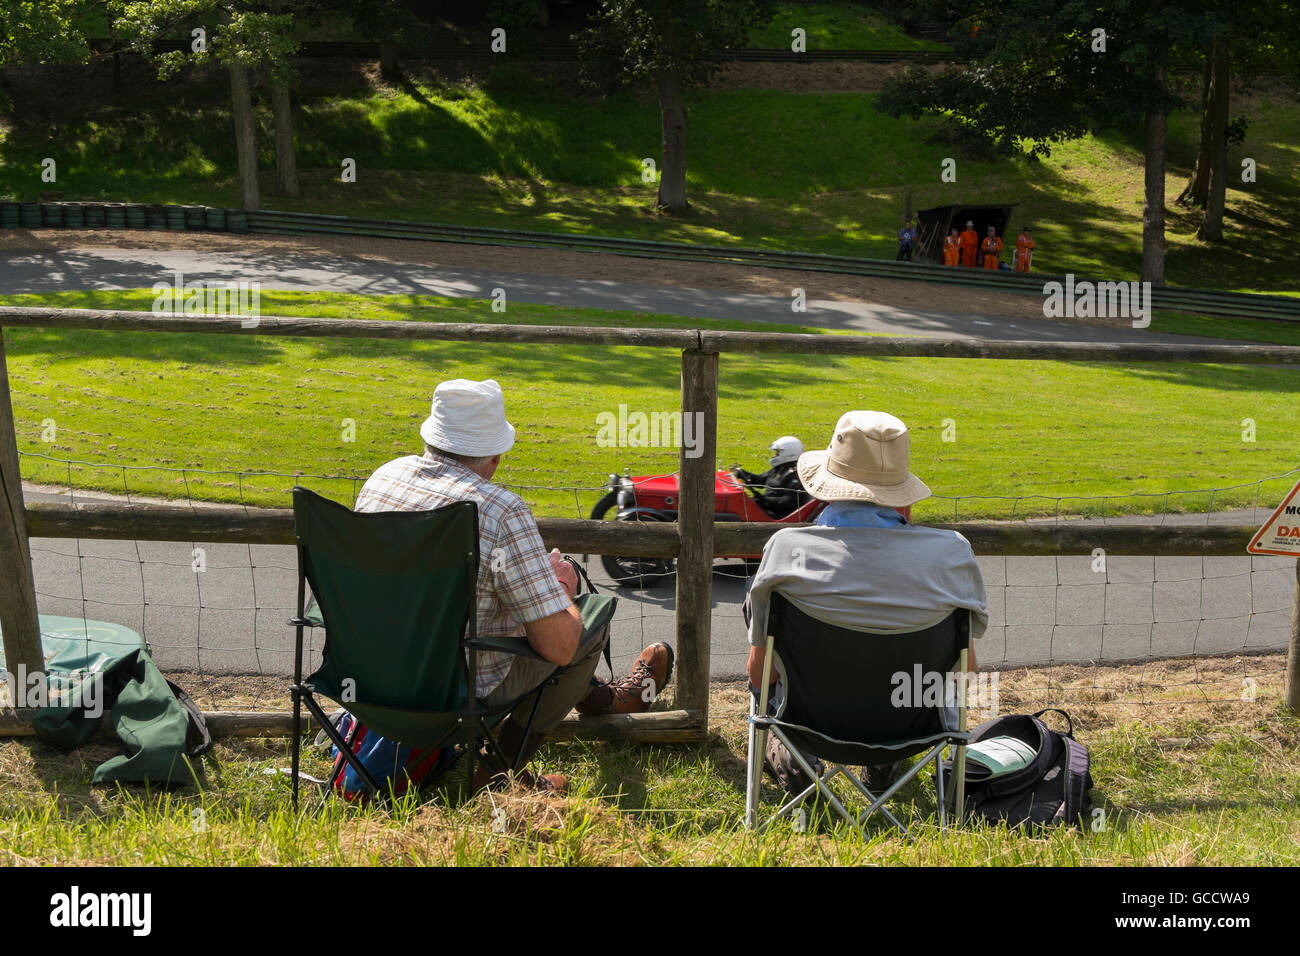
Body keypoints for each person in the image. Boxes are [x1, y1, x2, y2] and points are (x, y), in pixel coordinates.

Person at [354, 378, 673, 793]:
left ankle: (607, 700)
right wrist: (559, 589)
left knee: (511, 614)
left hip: (374, 676)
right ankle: (494, 772)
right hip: (456, 689)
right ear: (496, 455)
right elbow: (558, 646)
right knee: (584, 625)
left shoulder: (385, 477)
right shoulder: (500, 510)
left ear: (432, 435)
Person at [743, 410, 988, 798]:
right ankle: (884, 762)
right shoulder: (952, 556)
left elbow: (761, 676)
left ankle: (788, 750)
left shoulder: (786, 552)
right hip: (913, 729)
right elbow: (965, 674)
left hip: (806, 722)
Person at [730, 435, 810, 519]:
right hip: (766, 507)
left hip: (777, 515)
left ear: (788, 454)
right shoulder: (778, 469)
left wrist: (764, 500)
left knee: (740, 513)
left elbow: (788, 502)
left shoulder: (795, 477)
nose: (774, 455)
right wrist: (743, 473)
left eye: (777, 453)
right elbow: (760, 480)